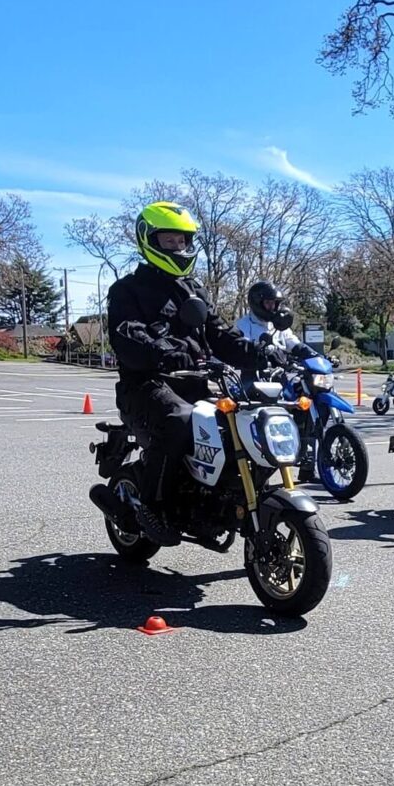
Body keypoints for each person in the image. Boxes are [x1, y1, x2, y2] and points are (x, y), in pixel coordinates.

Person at [107, 201, 268, 545]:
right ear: (149, 240)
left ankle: (233, 496)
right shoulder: (127, 290)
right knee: (180, 420)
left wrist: (261, 353)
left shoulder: (194, 290)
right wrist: (164, 352)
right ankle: (153, 508)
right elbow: (128, 336)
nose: (179, 248)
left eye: (183, 241)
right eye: (170, 241)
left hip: (196, 384)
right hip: (145, 385)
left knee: (249, 418)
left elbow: (221, 335)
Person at [235, 280, 303, 353]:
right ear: (257, 303)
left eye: (273, 302)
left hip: (281, 359)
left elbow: (292, 341)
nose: (271, 306)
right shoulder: (243, 325)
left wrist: (306, 351)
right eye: (267, 302)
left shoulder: (278, 323)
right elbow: (243, 349)